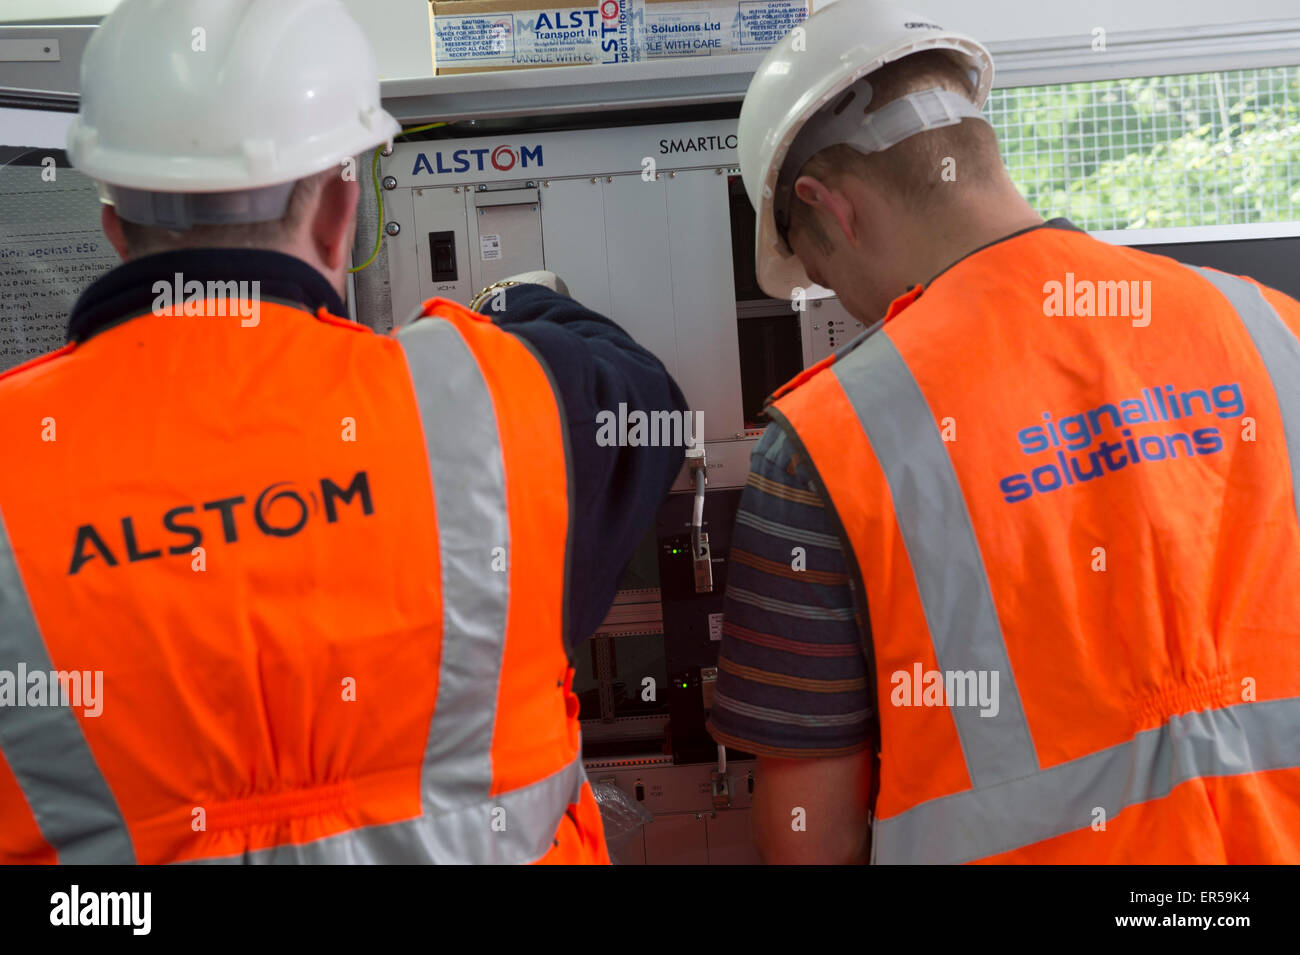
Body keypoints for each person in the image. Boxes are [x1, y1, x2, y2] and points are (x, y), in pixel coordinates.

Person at [0, 0, 686, 863]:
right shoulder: (499, 407)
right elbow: (648, 400)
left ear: (112, 231)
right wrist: (513, 304)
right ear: (340, 214)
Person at [709, 0, 1300, 863]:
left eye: (817, 271)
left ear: (828, 209)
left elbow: (811, 838)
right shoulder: (1271, 331)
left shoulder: (823, 443)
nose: (837, 302)